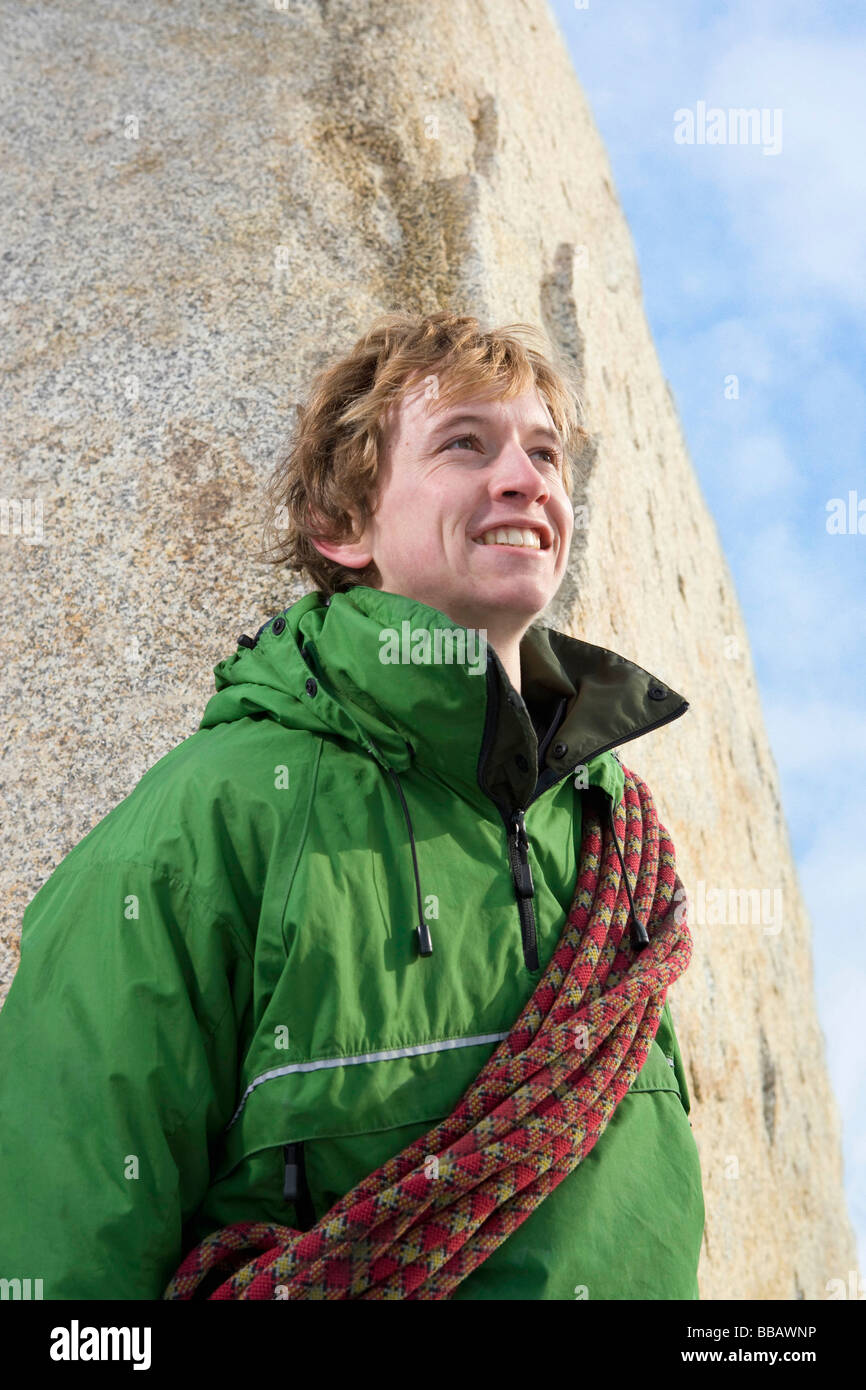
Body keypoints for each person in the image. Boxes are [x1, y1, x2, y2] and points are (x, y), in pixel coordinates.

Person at [0, 310, 704, 1300]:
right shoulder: (206, 825)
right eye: (466, 444)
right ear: (341, 527)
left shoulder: (612, 837)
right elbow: (65, 1250)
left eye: (543, 453)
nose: (526, 480)